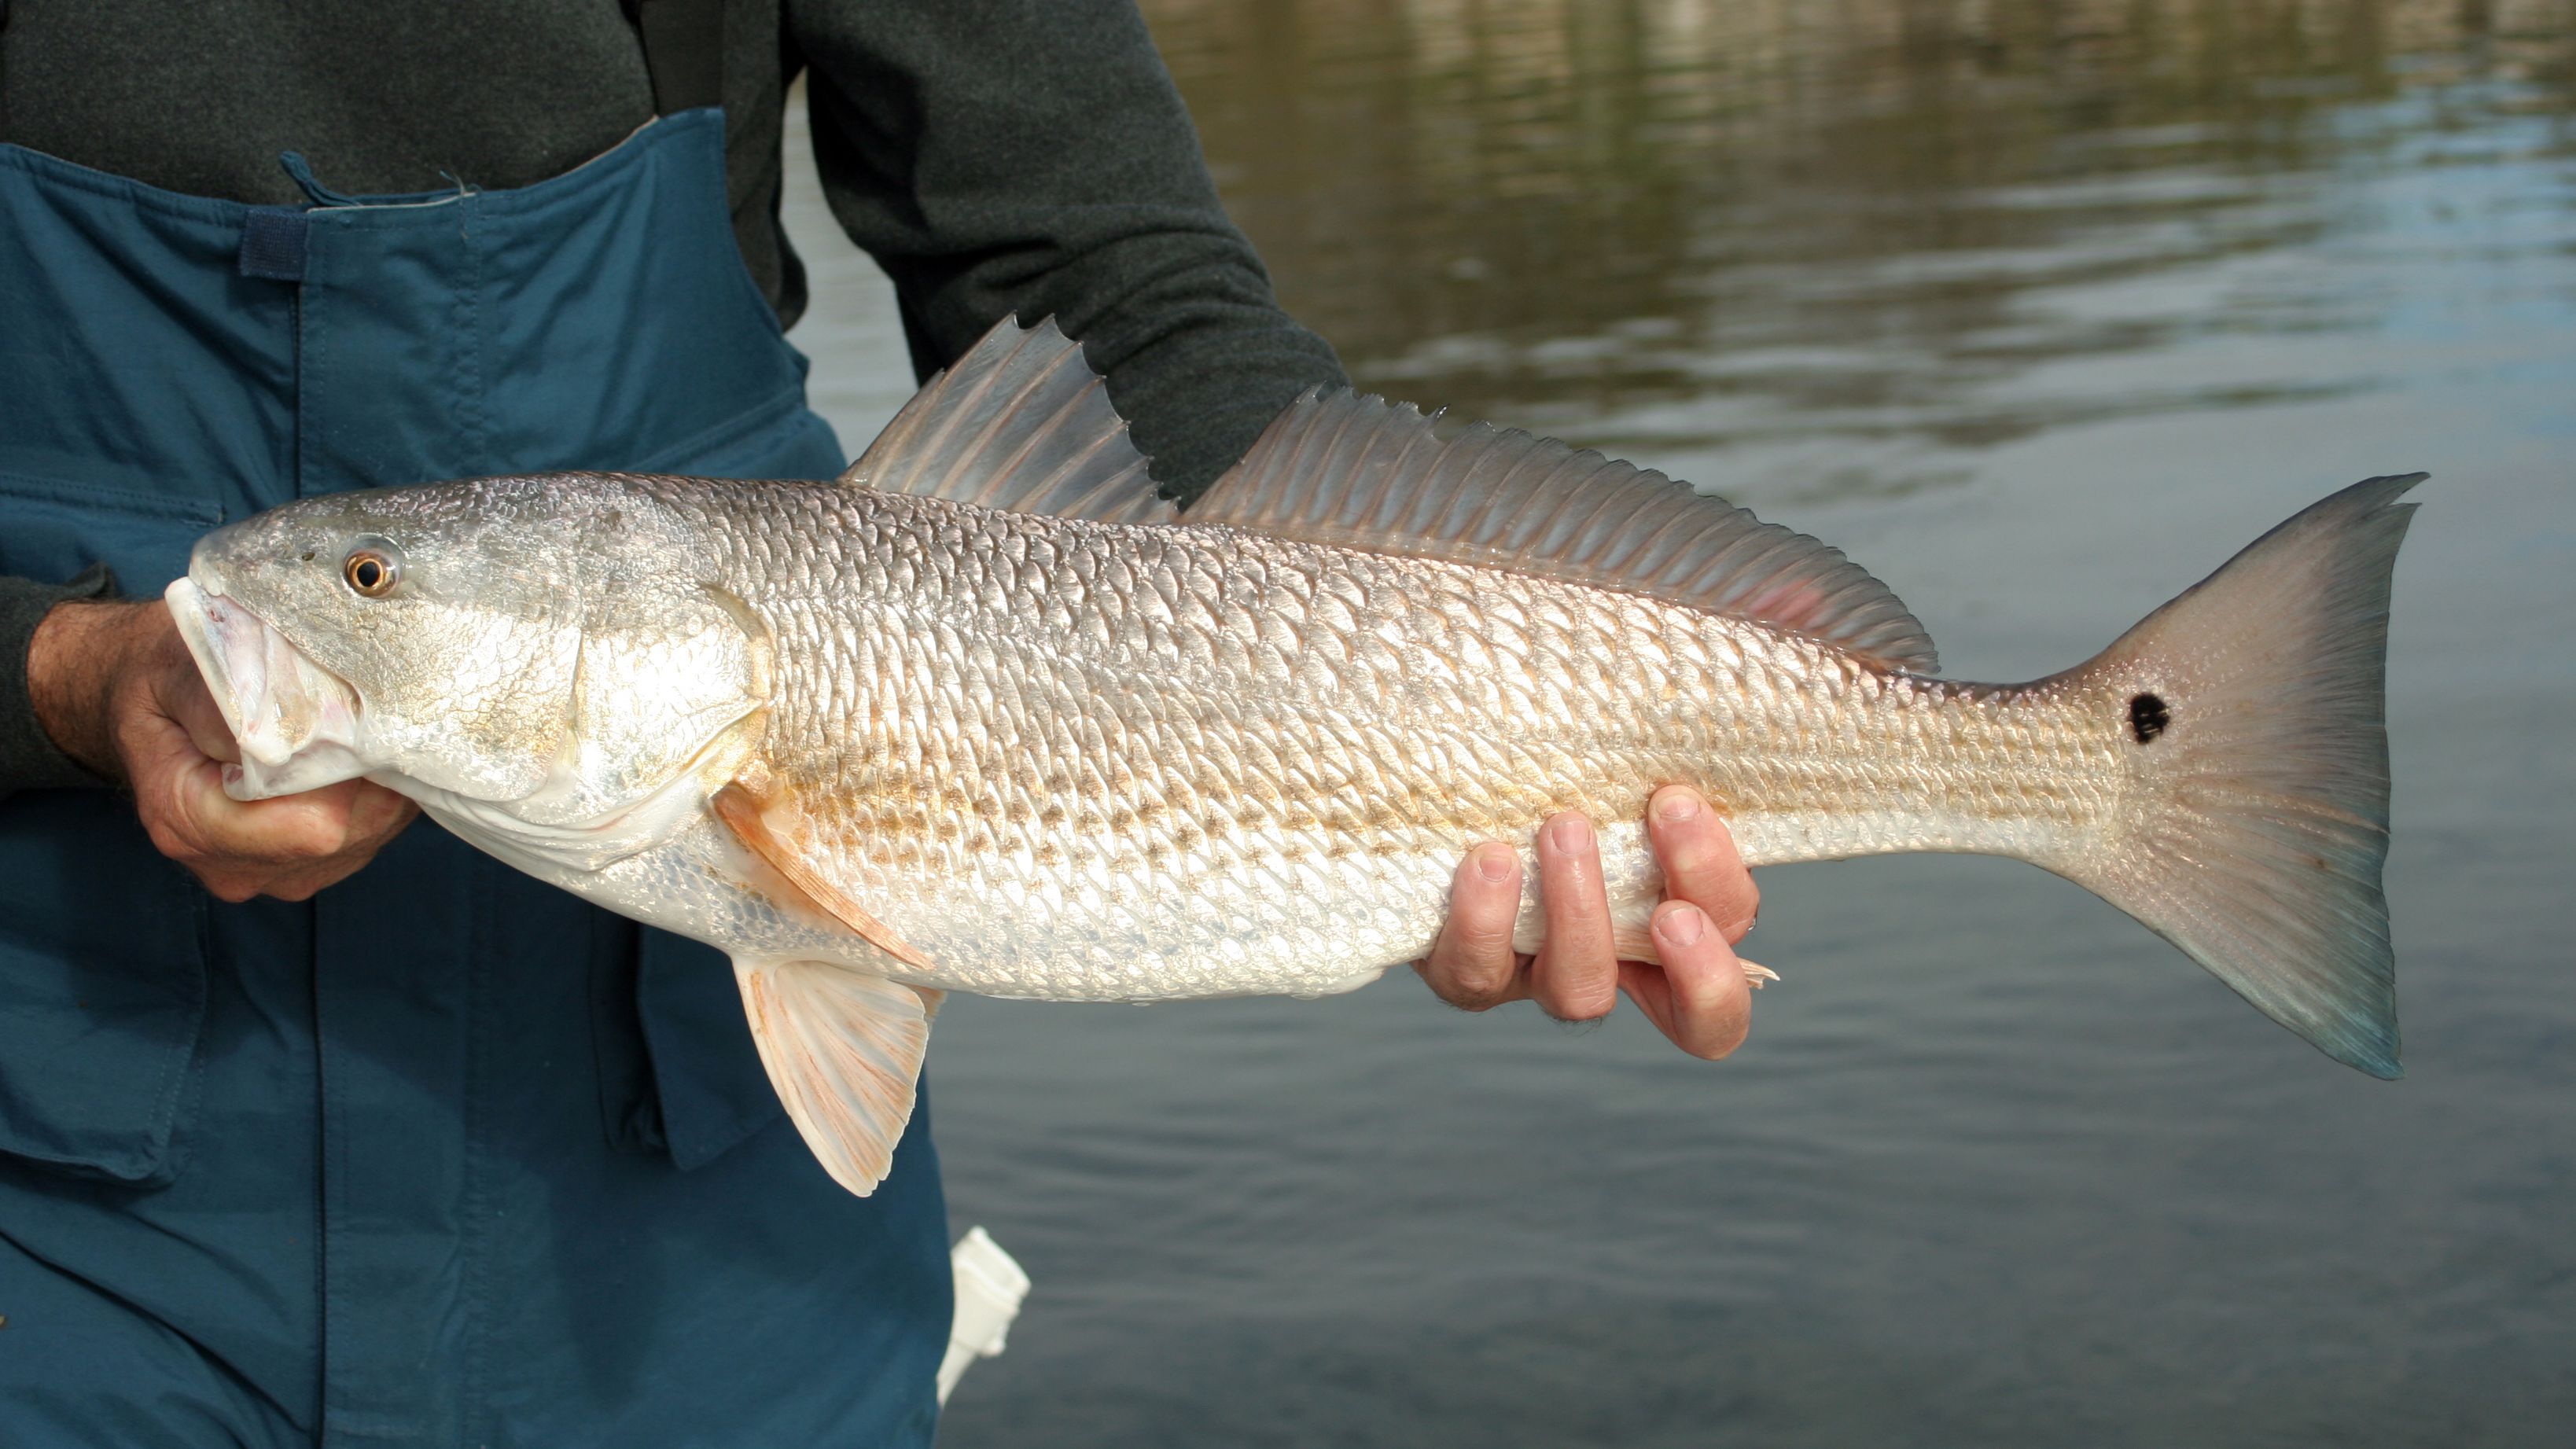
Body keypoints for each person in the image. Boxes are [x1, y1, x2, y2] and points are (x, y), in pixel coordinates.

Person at [0, 2, 1762, 1443]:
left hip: (697, 1206)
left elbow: (1107, 293)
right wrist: (62, 675)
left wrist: (1444, 736)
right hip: (59, 1198)